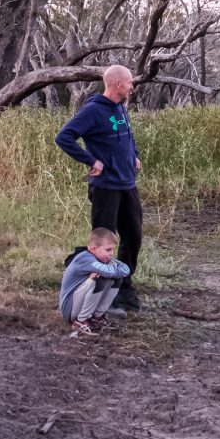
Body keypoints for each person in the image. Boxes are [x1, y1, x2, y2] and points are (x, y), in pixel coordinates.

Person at [55, 64, 143, 311]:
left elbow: (128, 135)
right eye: (129, 82)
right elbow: (64, 137)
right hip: (106, 187)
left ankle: (123, 285)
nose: (131, 86)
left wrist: (134, 154)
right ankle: (100, 291)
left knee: (133, 236)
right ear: (117, 84)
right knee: (103, 242)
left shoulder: (120, 107)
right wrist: (90, 160)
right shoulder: (93, 110)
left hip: (127, 184)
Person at [58, 227, 132, 337]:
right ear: (93, 249)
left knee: (116, 278)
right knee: (99, 279)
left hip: (80, 301)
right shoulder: (85, 259)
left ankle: (97, 317)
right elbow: (110, 271)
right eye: (108, 250)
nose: (112, 254)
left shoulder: (102, 258)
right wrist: (114, 269)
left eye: (113, 250)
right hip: (69, 308)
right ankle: (80, 321)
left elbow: (126, 269)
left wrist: (114, 270)